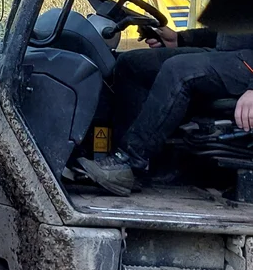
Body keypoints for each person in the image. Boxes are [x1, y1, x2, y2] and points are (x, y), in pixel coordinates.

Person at [78, 19, 253, 194]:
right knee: (132, 63)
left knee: (178, 70)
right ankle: (129, 171)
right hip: (234, 56)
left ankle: (129, 160)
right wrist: (179, 39)